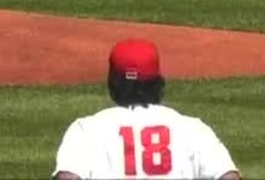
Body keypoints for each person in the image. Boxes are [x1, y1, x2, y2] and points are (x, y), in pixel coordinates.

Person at [53, 40, 240, 180]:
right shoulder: (192, 129)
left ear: (113, 83)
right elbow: (228, 176)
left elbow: (68, 178)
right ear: (157, 83)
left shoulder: (86, 129)